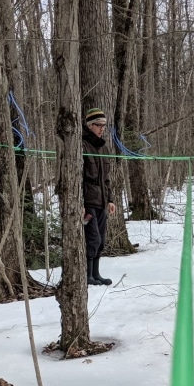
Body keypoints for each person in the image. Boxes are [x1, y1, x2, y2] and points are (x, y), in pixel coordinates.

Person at [82, 108, 116, 286]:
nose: (102, 128)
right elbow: (77, 178)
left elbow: (106, 179)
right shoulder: (82, 146)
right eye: (99, 125)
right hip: (88, 202)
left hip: (102, 201)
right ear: (90, 126)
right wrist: (80, 203)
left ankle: (96, 274)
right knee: (93, 238)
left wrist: (110, 199)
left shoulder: (103, 147)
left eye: (104, 125)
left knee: (101, 240)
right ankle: (87, 275)